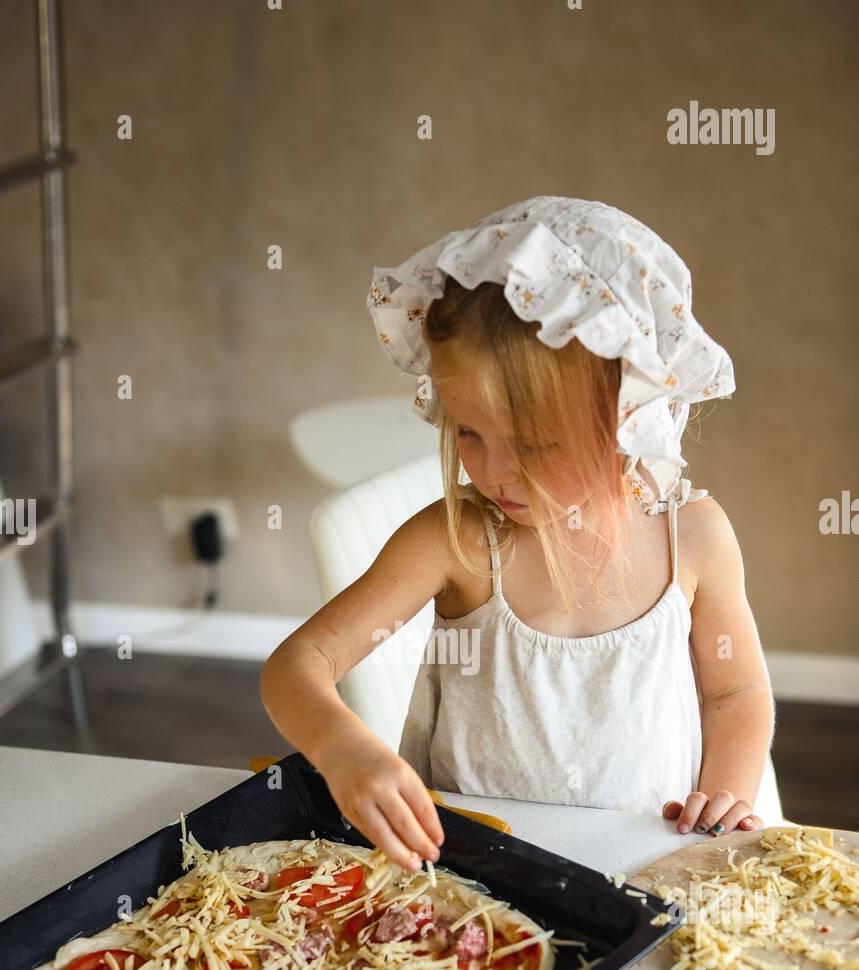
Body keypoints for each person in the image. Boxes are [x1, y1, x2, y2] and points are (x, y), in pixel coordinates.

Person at [261, 196, 775, 872]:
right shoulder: (457, 541)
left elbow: (734, 692)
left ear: (628, 417)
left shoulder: (694, 537)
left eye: (534, 444)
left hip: (646, 866)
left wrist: (724, 799)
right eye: (467, 431)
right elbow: (295, 667)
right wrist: (343, 749)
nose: (494, 470)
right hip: (473, 876)